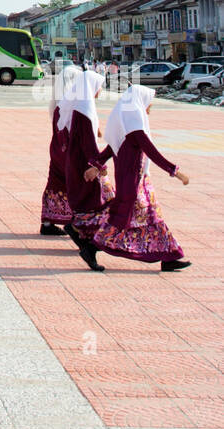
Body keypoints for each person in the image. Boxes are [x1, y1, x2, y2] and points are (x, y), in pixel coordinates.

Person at [86, 84, 191, 272]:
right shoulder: (135, 129)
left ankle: (169, 256)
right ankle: (91, 248)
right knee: (121, 220)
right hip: (132, 183)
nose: (149, 108)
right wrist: (175, 171)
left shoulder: (129, 127)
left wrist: (96, 165)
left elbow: (112, 148)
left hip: (140, 180)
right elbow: (151, 151)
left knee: (153, 217)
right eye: (149, 103)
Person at [62, 67, 114, 271]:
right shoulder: (85, 109)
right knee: (99, 202)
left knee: (94, 201)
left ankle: (82, 237)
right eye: (98, 87)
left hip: (80, 162)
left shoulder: (82, 106)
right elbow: (88, 142)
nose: (100, 91)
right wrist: (97, 165)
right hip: (84, 164)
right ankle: (82, 236)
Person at [39, 63, 80, 239]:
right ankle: (77, 221)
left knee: (55, 183)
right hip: (67, 151)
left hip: (56, 149)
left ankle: (48, 221)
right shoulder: (70, 106)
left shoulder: (57, 105)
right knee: (76, 185)